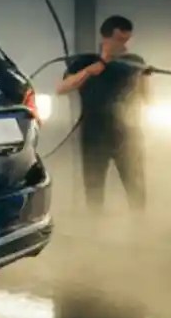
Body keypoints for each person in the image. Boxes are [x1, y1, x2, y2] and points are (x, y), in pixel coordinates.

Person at [56, 15, 149, 212]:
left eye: (127, 40)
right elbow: (62, 88)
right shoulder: (85, 62)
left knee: (136, 188)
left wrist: (143, 77)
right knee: (94, 188)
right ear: (106, 37)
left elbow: (147, 98)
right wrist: (90, 71)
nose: (124, 45)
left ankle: (140, 225)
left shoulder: (135, 62)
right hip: (94, 134)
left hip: (127, 135)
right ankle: (95, 226)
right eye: (119, 39)